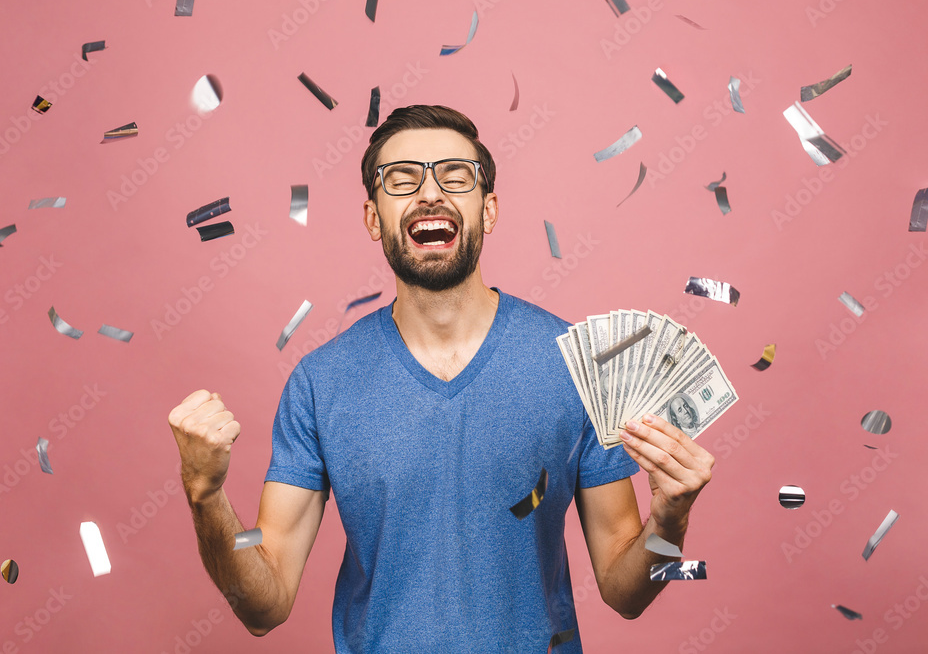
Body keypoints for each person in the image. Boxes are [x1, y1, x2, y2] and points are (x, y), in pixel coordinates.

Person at [168, 105, 715, 652]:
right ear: (372, 217)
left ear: (489, 209)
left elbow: (627, 594)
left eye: (455, 176)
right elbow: (263, 607)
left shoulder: (578, 367)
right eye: (401, 179)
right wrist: (206, 495)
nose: (429, 193)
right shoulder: (320, 383)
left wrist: (670, 520)